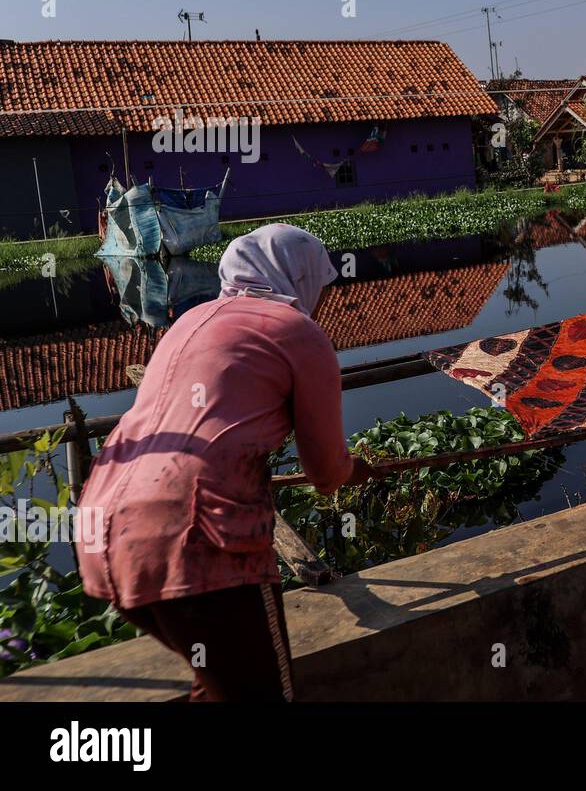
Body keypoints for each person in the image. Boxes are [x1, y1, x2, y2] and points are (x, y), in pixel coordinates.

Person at [74, 223, 376, 700]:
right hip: (197, 544)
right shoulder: (299, 332)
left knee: (217, 684)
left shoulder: (189, 322)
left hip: (102, 532)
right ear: (301, 277)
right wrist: (355, 469)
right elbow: (325, 472)